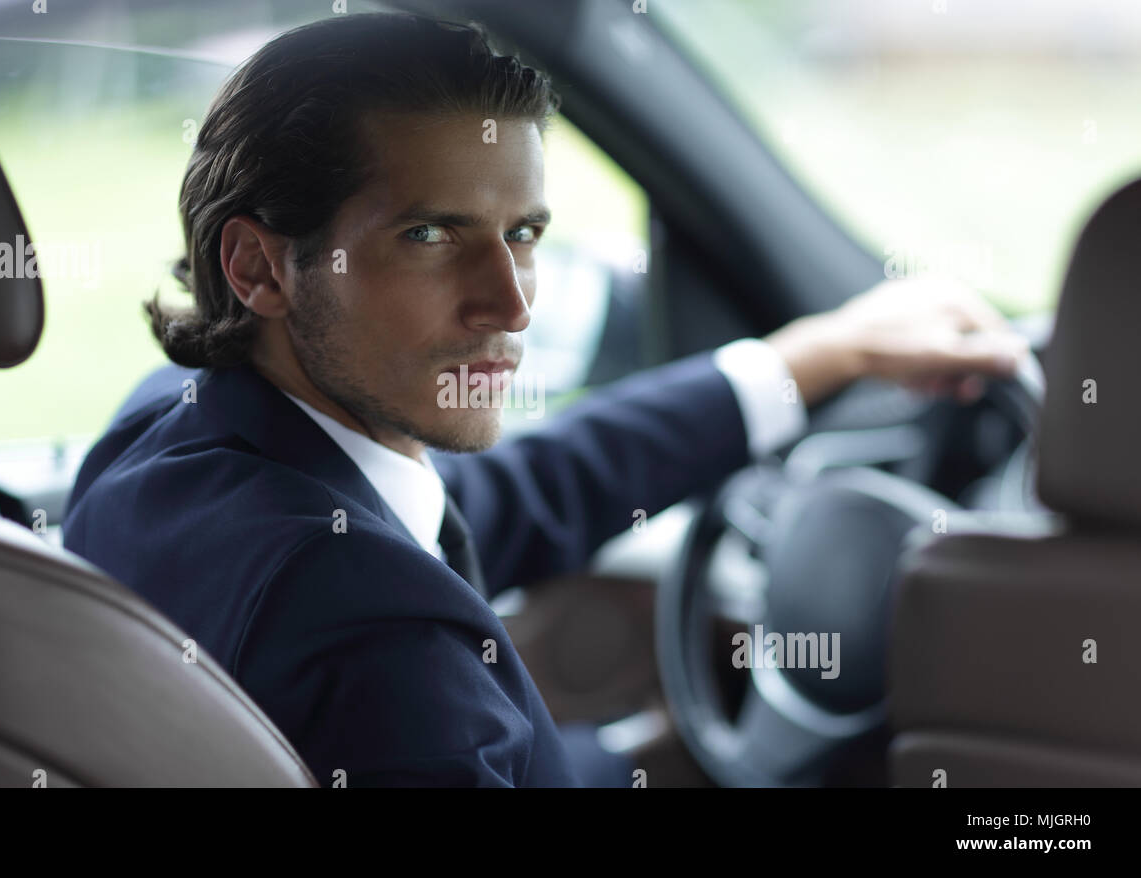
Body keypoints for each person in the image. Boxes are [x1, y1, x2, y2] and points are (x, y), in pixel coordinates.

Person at [63, 12, 1030, 787]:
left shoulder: (173, 427)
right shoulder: (388, 646)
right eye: (432, 236)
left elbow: (514, 495)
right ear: (259, 267)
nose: (513, 303)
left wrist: (818, 355)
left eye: (522, 232)